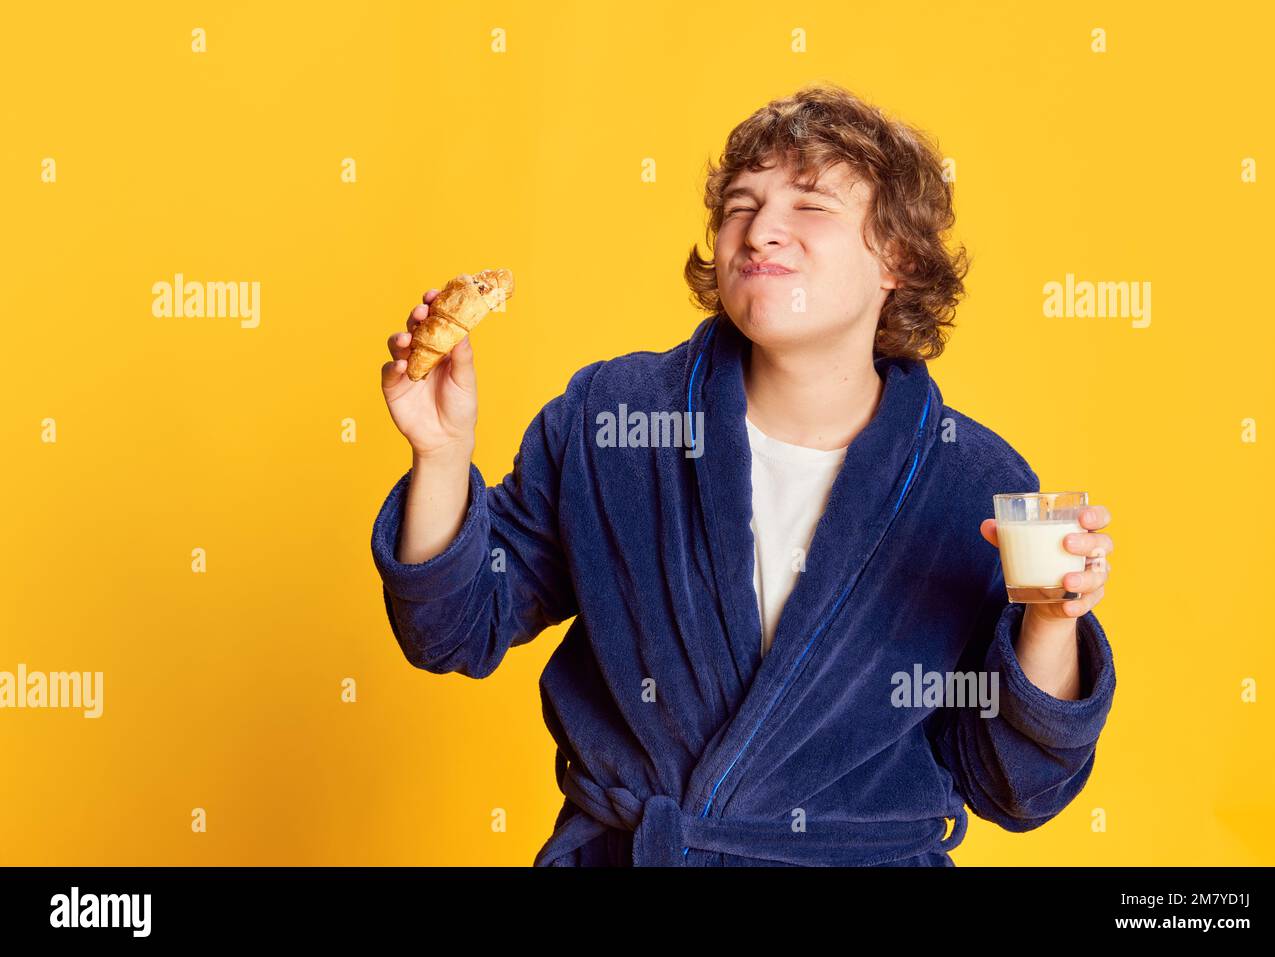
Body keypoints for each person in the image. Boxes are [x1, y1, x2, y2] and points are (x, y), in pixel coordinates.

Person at [371, 83, 1117, 866]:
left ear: (896, 257)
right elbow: (452, 628)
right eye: (739, 205)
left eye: (810, 207)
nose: (761, 231)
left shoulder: (967, 477)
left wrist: (1051, 618)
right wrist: (442, 454)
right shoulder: (613, 421)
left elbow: (1017, 786)